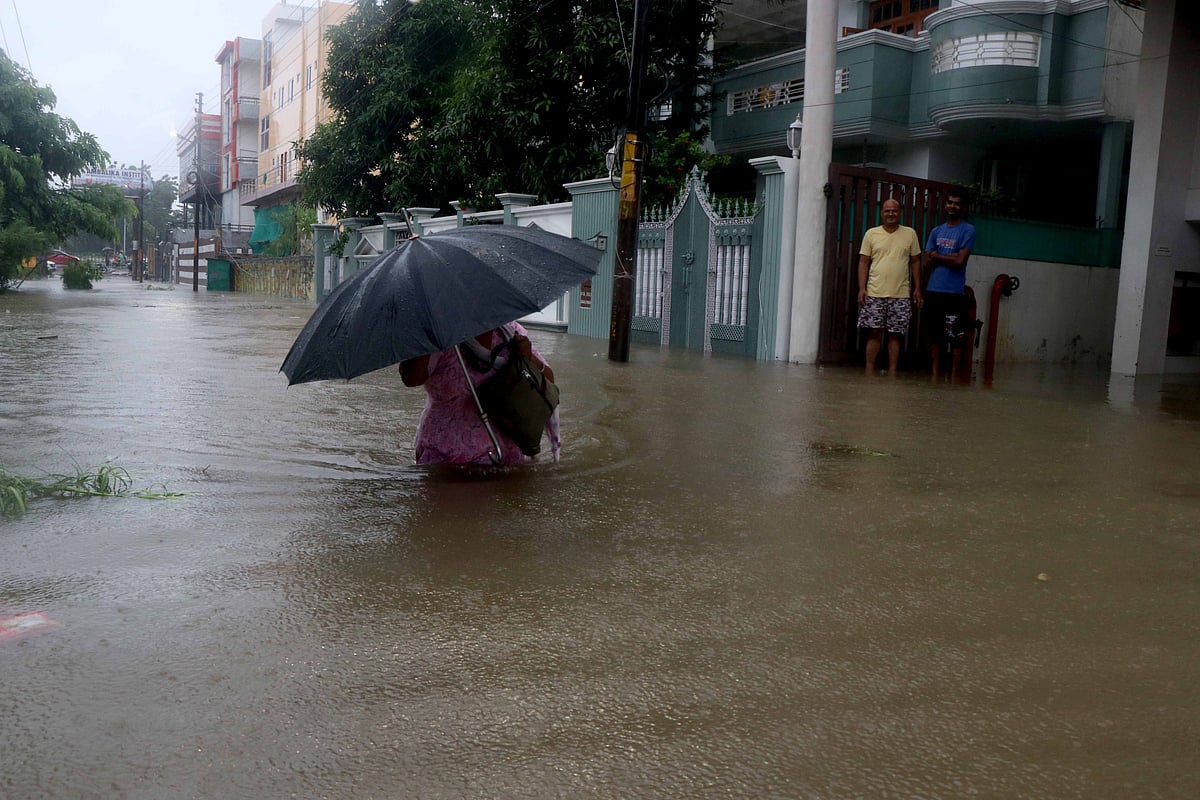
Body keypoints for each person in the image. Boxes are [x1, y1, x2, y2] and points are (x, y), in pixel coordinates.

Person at [400, 322, 560, 465]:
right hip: (447, 458)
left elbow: (548, 380)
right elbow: (411, 379)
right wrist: (428, 333)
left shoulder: (509, 332)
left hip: (506, 454)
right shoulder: (440, 336)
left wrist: (529, 357)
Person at [858, 198, 923, 376]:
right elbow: (863, 262)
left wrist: (918, 288)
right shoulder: (871, 234)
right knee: (874, 333)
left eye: (894, 211)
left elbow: (916, 262)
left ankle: (892, 373)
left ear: (899, 212)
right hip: (874, 293)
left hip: (900, 294)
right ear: (882, 213)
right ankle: (869, 372)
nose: (891, 214)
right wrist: (862, 288)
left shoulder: (910, 234)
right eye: (887, 211)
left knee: (895, 334)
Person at [923, 191, 977, 382]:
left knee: (956, 335)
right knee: (935, 335)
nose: (952, 206)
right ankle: (935, 375)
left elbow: (960, 261)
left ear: (964, 207)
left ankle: (954, 377)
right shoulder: (936, 231)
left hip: (954, 292)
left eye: (957, 203)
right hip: (933, 290)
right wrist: (950, 256)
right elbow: (926, 261)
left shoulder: (968, 230)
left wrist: (937, 255)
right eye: (949, 202)